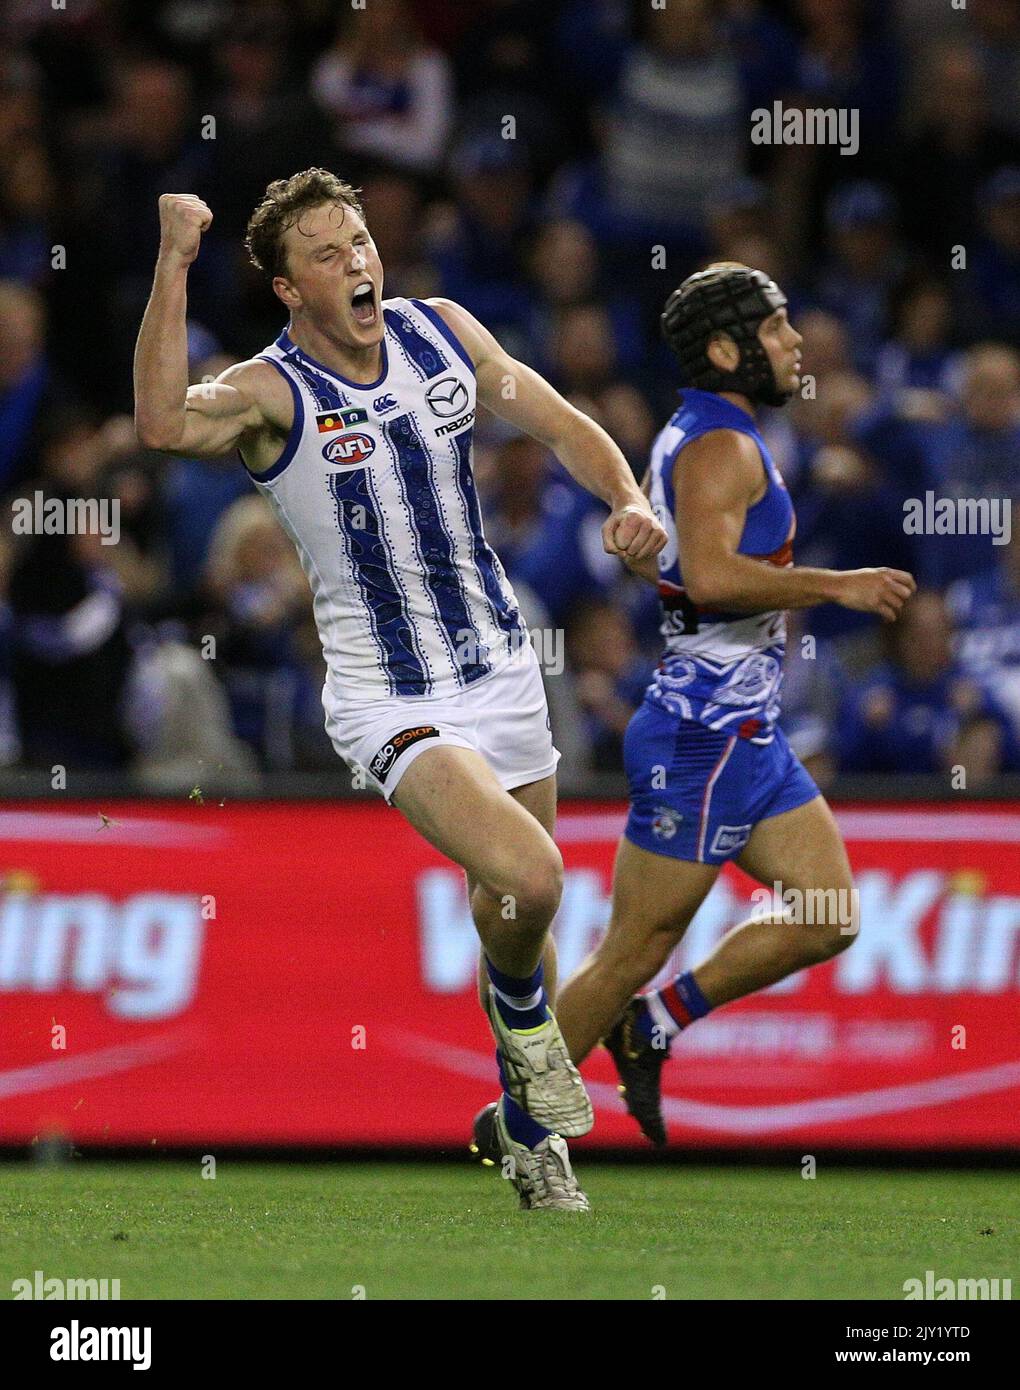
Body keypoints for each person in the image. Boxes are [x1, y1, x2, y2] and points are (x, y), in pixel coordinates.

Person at [133, 168, 666, 1208]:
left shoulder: (443, 333)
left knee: (515, 905)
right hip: (391, 697)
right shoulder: (268, 392)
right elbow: (157, 422)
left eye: (361, 241)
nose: (358, 263)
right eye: (328, 255)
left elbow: (559, 421)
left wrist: (630, 497)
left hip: (505, 669)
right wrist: (174, 260)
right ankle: (525, 1037)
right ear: (291, 289)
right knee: (536, 873)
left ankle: (523, 1134)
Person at [479, 263, 915, 1153]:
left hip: (744, 732)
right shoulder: (724, 444)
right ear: (727, 348)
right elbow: (712, 578)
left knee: (829, 913)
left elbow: (675, 571)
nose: (796, 344)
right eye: (780, 327)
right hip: (701, 737)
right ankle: (520, 1123)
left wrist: (648, 558)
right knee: (630, 950)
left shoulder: (703, 432)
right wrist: (838, 585)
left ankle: (657, 1026)